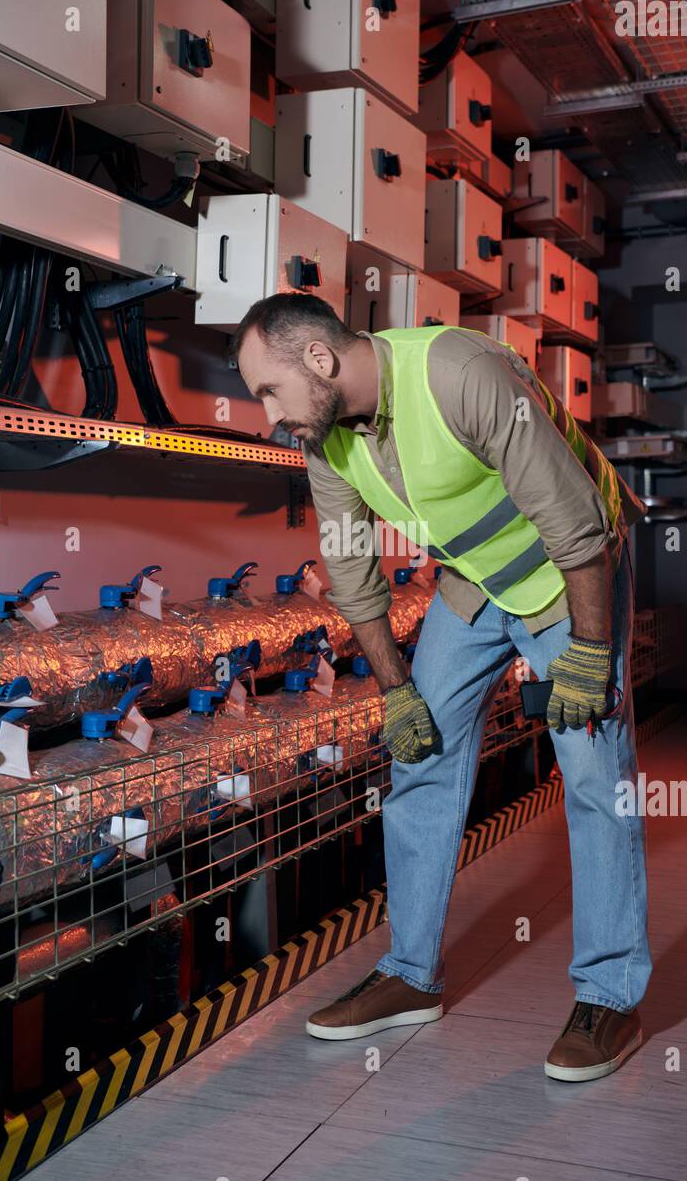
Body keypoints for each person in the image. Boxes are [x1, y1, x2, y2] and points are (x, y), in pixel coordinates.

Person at [234, 292, 651, 1081]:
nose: (269, 414)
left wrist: (591, 658)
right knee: (419, 752)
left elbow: (574, 523)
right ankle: (411, 975)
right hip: (478, 580)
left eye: (269, 390)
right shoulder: (325, 444)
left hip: (574, 572)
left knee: (595, 774)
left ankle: (610, 997)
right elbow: (353, 577)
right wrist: (397, 691)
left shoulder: (460, 374)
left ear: (319, 361)